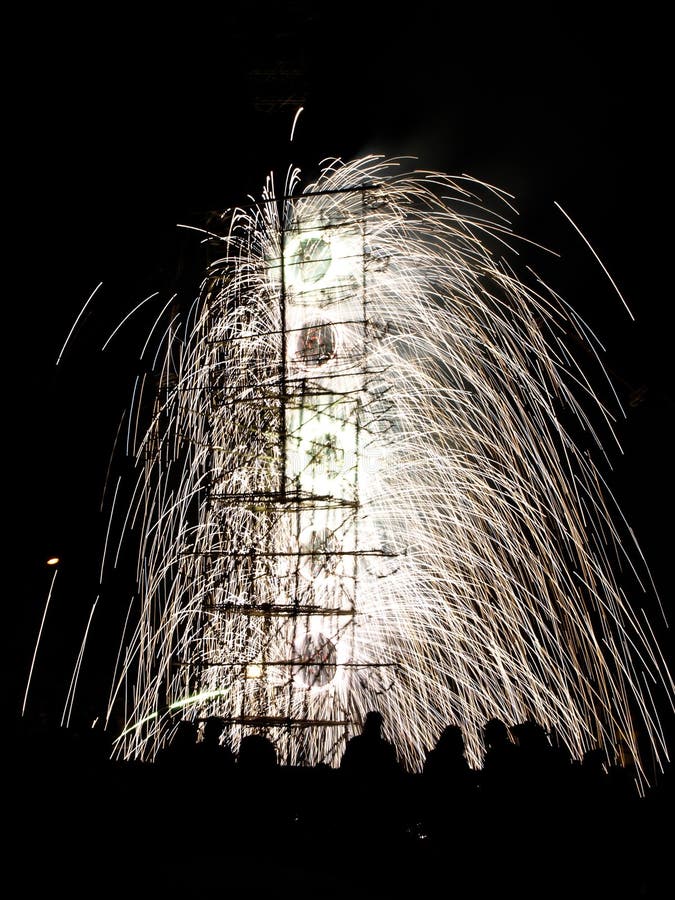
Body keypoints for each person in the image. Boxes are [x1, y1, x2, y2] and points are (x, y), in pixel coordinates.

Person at [339, 711, 400, 777]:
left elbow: (344, 767)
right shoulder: (386, 747)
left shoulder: (354, 743)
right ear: (379, 727)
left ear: (366, 725)